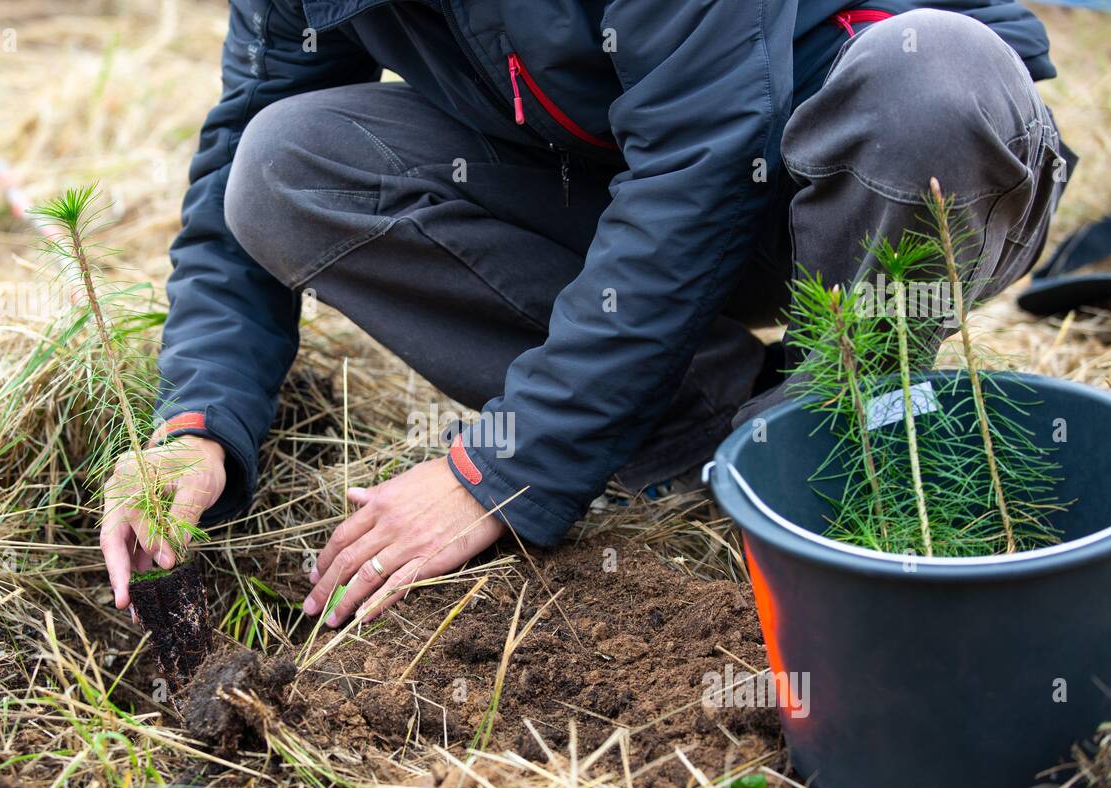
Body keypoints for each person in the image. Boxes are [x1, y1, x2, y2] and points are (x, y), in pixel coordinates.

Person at [100, 0, 1069, 628]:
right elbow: (232, 178)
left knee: (931, 77)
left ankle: (838, 425)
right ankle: (716, 434)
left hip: (875, 174)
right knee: (281, 165)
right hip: (626, 190)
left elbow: (709, 158)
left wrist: (501, 468)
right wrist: (195, 424)